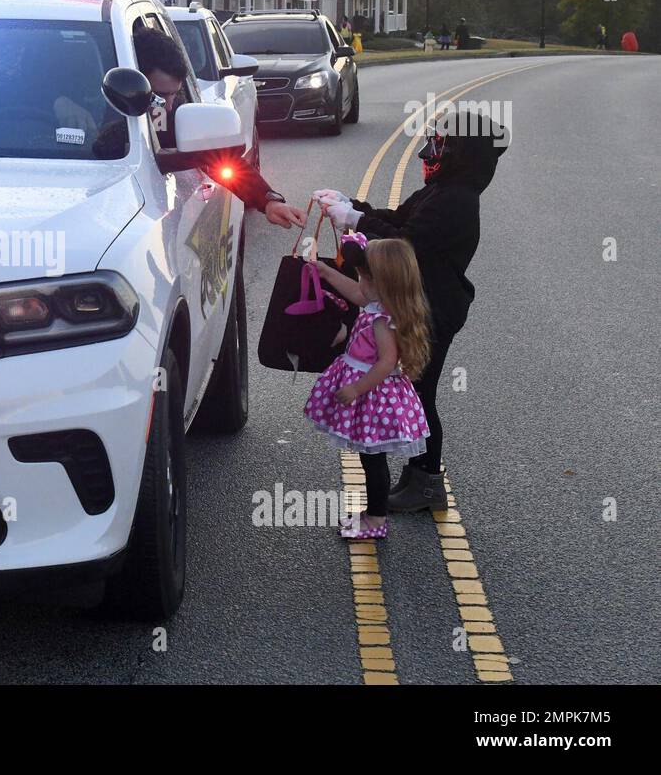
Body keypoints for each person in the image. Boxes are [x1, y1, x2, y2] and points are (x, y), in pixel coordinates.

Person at [313, 109, 506, 510]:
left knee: (420, 393)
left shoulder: (458, 200)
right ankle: (420, 478)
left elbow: (404, 243)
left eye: (442, 142)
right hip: (421, 304)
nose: (431, 150)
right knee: (417, 391)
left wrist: (355, 219)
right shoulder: (442, 190)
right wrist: (353, 207)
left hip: (434, 310)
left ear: (461, 151)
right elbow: (397, 219)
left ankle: (427, 482)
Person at [304, 236, 432, 539]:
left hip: (372, 396)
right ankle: (373, 513)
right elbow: (357, 293)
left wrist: (356, 389)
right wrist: (325, 271)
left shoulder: (382, 319)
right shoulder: (378, 303)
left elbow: (387, 362)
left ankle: (376, 519)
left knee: (373, 460)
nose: (358, 283)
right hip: (369, 392)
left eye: (363, 277)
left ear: (380, 283)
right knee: (368, 458)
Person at [131, 26, 306, 228]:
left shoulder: (176, 112)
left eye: (174, 94)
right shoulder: (99, 117)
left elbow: (218, 158)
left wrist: (268, 201)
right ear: (136, 83)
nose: (168, 105)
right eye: (159, 96)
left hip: (161, 218)